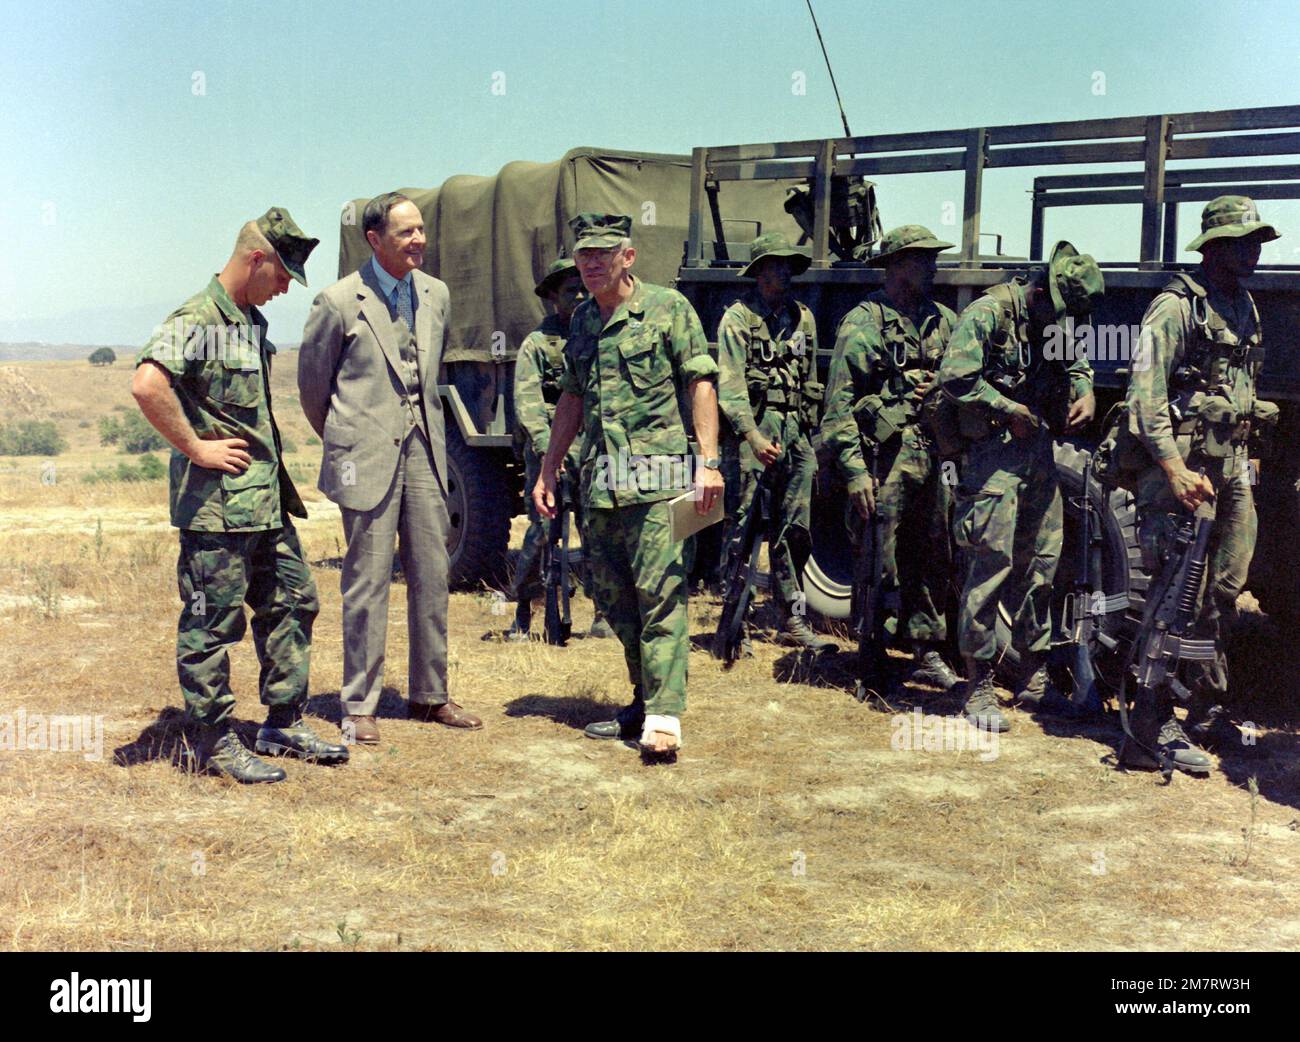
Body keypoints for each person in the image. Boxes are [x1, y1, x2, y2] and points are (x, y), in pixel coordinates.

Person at [132, 208, 346, 783]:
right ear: (257, 258)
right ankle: (214, 739)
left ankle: (283, 721)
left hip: (264, 502)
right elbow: (148, 382)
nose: (284, 290)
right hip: (218, 508)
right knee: (211, 621)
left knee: (294, 602)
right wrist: (198, 449)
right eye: (281, 277)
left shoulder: (249, 321)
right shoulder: (198, 316)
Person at [533, 213, 723, 757]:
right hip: (602, 485)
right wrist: (550, 468)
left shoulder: (668, 309)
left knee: (661, 597)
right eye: (583, 255)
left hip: (659, 480)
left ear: (628, 257)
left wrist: (708, 462)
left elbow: (700, 382)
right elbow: (570, 398)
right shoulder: (583, 322)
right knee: (614, 600)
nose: (590, 264)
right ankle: (643, 700)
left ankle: (664, 717)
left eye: (602, 254)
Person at [298, 192, 481, 746]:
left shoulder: (436, 295)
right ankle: (359, 705)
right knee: (367, 581)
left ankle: (431, 696)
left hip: (426, 451)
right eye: (406, 233)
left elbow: (428, 371)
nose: (418, 240)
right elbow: (314, 388)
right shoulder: (337, 301)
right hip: (367, 458)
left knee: (433, 573)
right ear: (374, 240)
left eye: (421, 230)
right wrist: (350, 442)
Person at [1120, 195, 1280, 773]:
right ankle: (1147, 727)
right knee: (1173, 594)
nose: (1256, 250)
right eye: (1245, 241)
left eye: (1259, 241)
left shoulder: (1244, 306)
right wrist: (1173, 469)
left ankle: (1207, 710)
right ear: (1214, 246)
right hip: (1186, 473)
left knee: (1224, 590)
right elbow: (1145, 398)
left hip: (1232, 469)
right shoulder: (1175, 307)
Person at [938, 241, 1102, 732]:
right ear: (1037, 292)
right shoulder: (988, 313)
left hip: (1038, 455)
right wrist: (1008, 408)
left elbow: (1075, 361)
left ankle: (1033, 677)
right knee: (991, 565)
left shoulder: (1057, 319)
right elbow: (955, 377)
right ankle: (979, 683)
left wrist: (1086, 389)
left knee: (1043, 565)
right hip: (993, 456)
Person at [821, 225, 963, 691]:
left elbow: (964, 380)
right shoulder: (863, 323)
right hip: (884, 459)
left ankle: (925, 648)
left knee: (933, 552)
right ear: (898, 265)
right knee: (879, 558)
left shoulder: (942, 319)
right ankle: (872, 651)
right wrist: (856, 472)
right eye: (924, 259)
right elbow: (839, 407)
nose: (934, 267)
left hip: (930, 451)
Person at [716, 232, 834, 654]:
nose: (784, 271)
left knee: (795, 531)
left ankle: (792, 617)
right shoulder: (737, 319)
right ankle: (735, 623)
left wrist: (810, 440)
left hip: (795, 436)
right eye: (776, 265)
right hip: (754, 436)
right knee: (742, 529)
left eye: (789, 265)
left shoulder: (804, 318)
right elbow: (729, 387)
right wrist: (751, 435)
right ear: (760, 272)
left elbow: (812, 381)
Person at [507, 257, 611, 640]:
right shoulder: (537, 344)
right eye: (571, 290)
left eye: (584, 288)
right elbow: (528, 404)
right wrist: (550, 452)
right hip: (550, 452)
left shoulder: (598, 336)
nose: (580, 296)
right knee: (541, 534)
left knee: (597, 532)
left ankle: (604, 612)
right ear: (552, 297)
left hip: (592, 452)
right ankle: (522, 611)